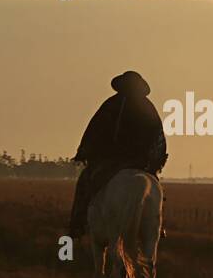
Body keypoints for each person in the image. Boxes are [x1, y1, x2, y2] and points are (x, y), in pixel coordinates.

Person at [68, 71, 167, 238]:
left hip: (111, 161)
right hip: (140, 162)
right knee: (156, 190)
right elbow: (158, 136)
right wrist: (154, 161)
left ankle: (78, 225)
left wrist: (85, 152)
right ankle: (156, 227)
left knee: (85, 183)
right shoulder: (148, 107)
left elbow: (95, 131)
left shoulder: (111, 104)